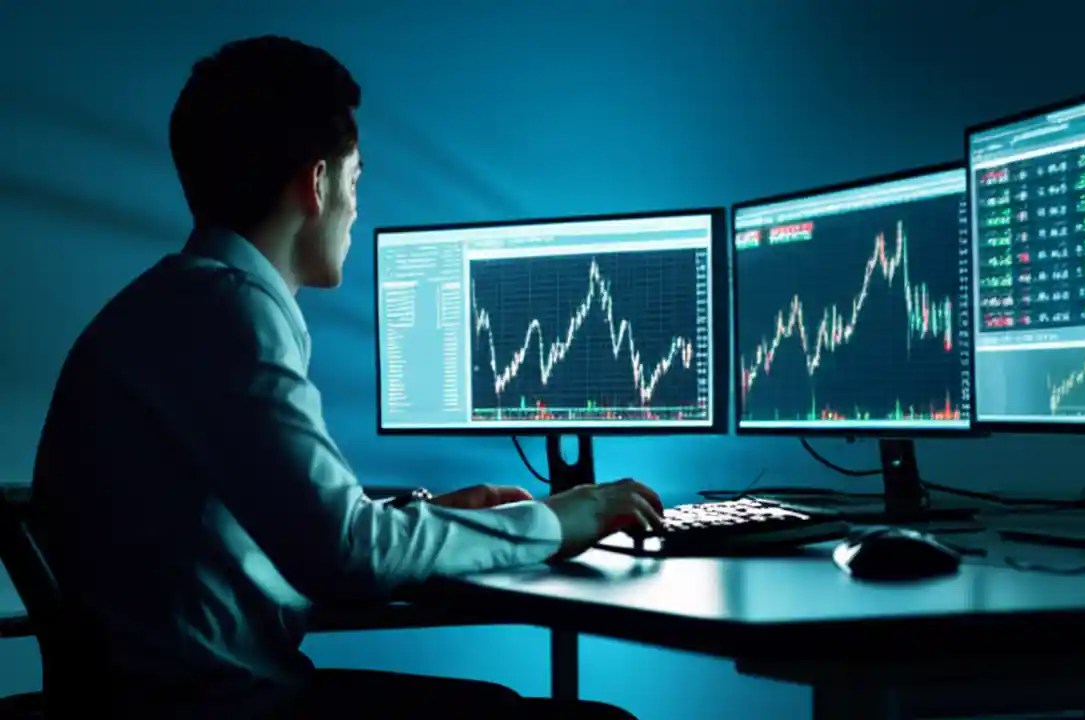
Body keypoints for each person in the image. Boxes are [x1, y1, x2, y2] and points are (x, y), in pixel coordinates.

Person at [31, 35, 663, 719]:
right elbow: (345, 555)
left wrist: (430, 519)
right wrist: (559, 519)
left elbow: (300, 536)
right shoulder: (230, 313)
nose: (356, 208)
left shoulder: (175, 304)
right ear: (317, 182)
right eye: (355, 181)